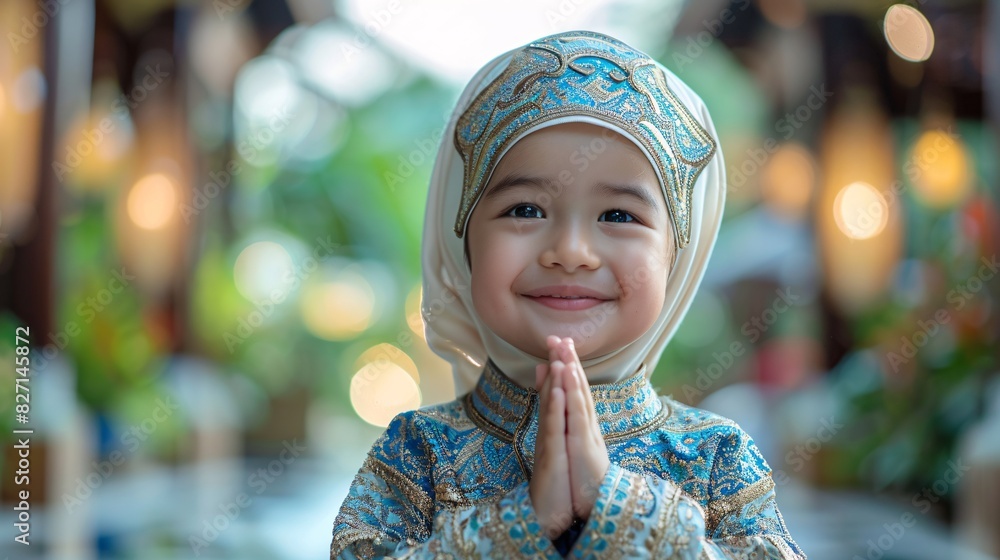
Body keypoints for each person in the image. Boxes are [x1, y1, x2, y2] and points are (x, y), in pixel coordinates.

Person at [330, 30, 806, 559]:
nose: (571, 250)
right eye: (525, 210)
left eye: (619, 216)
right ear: (460, 237)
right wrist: (521, 523)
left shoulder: (716, 457)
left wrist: (620, 507)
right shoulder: (417, 452)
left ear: (677, 258)